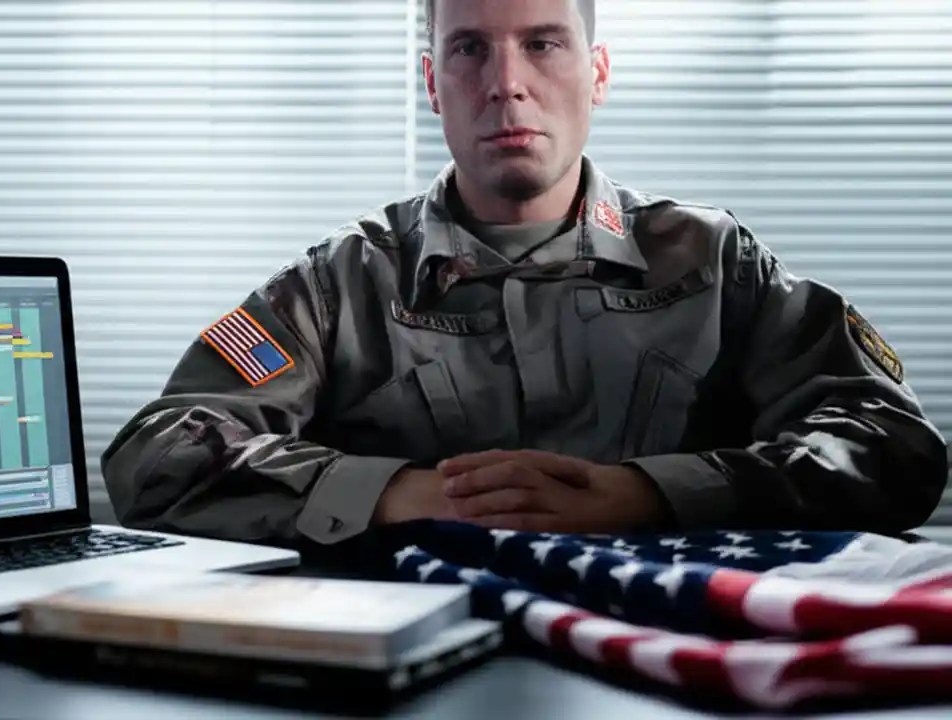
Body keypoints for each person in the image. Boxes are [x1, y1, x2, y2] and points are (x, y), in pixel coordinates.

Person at [101, 0, 948, 547]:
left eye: (542, 43)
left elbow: (891, 445)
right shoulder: (341, 284)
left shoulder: (716, 263)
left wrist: (650, 495)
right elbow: (157, 453)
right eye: (469, 50)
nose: (507, 85)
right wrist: (403, 495)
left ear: (599, 73)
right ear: (433, 84)